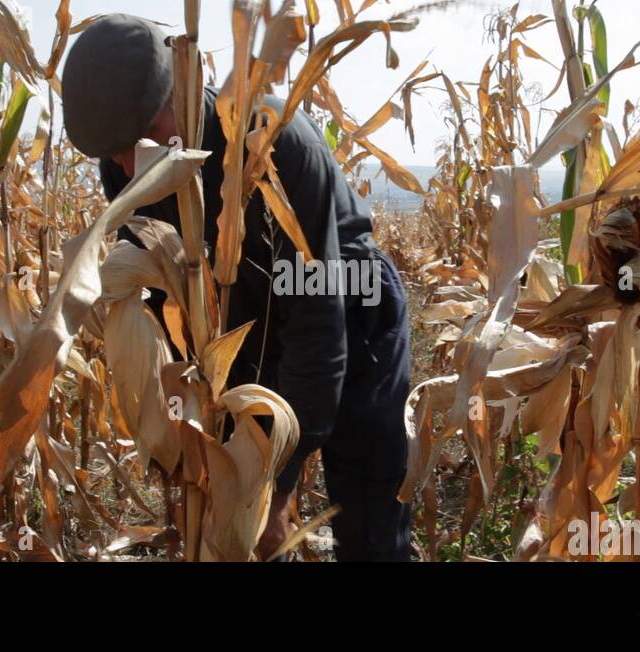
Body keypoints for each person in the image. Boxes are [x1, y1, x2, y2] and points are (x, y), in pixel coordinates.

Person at [62, 13, 412, 561]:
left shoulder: (273, 145)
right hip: (242, 325)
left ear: (183, 83)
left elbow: (319, 326)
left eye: (146, 138)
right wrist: (189, 430)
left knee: (366, 521)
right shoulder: (128, 168)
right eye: (114, 156)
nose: (133, 166)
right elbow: (166, 302)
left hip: (351, 308)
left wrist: (277, 483)